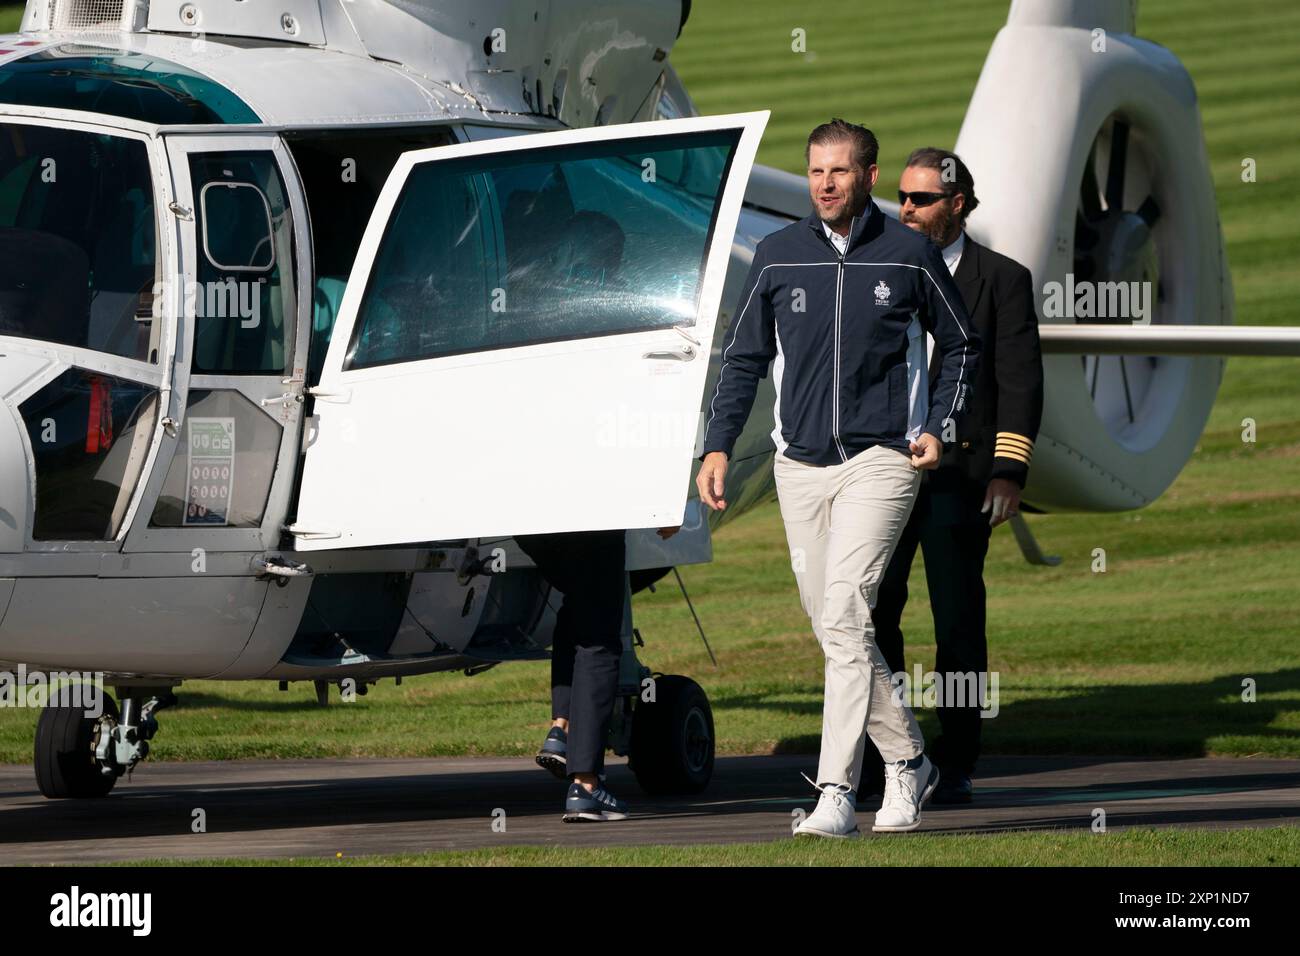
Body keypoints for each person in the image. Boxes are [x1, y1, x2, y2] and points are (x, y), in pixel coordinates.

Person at [696, 119, 981, 836]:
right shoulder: (778, 254)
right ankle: (910, 758)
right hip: (798, 464)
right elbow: (742, 361)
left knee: (848, 612)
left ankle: (834, 792)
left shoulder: (911, 255)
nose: (825, 183)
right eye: (816, 171)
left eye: (840, 172)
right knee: (834, 625)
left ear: (869, 178)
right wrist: (718, 445)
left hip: (882, 460)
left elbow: (960, 344)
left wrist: (937, 427)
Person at [859, 147, 1043, 804]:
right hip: (879, 472)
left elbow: (1018, 382)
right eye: (901, 198)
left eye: (921, 200)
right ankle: (890, 757)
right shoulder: (877, 270)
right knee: (873, 615)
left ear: (958, 205)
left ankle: (958, 758)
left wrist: (1008, 471)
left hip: (960, 477)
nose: (905, 209)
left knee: (958, 621)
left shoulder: (1002, 279)